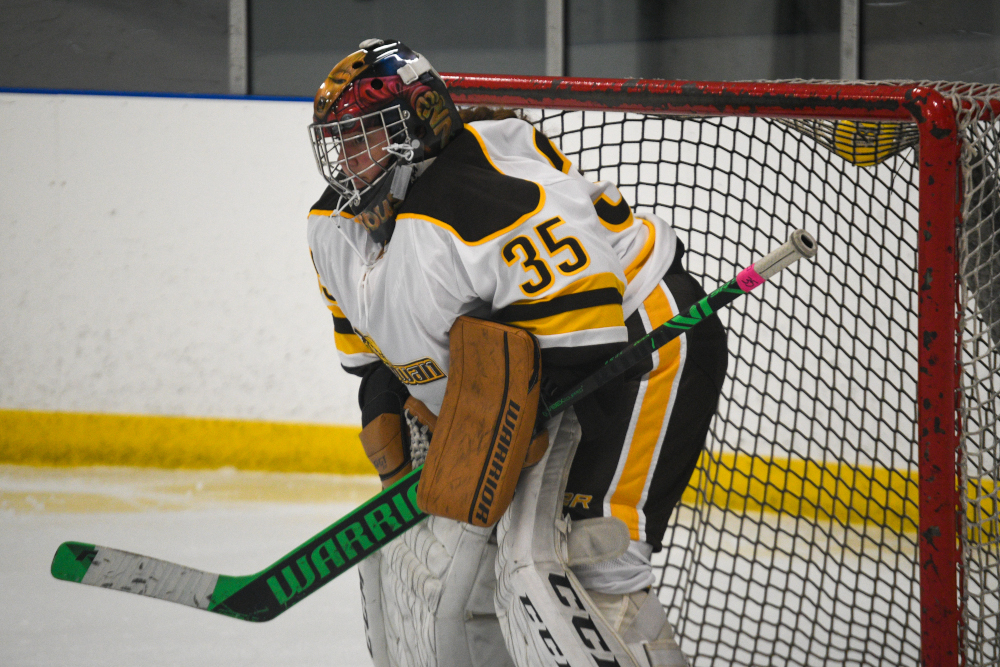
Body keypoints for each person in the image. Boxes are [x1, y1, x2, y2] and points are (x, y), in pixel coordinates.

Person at [306, 39, 728, 667]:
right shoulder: (333, 228)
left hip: (644, 341)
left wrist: (497, 429)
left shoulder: (472, 206)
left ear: (420, 122)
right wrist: (387, 409)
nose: (349, 159)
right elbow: (373, 359)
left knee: (593, 557)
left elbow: (585, 326)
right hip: (560, 355)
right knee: (497, 567)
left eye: (367, 135)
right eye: (340, 142)